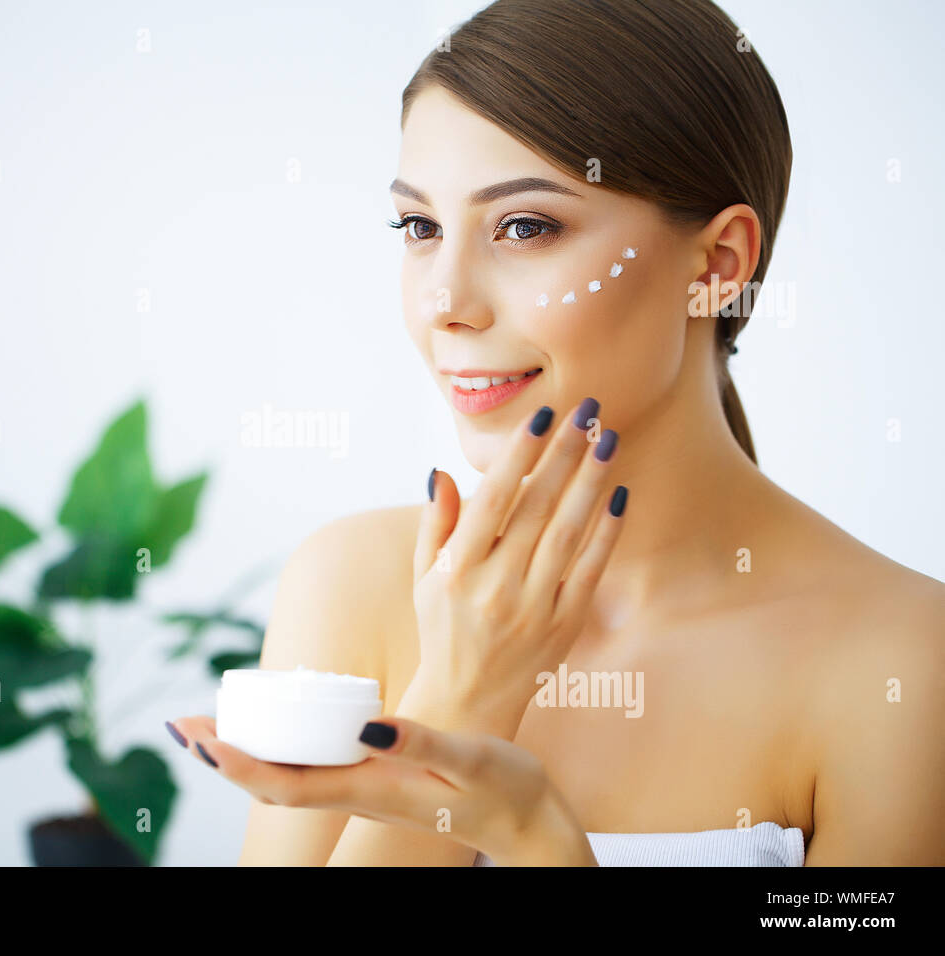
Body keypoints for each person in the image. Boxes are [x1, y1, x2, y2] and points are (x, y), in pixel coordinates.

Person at [168, 0, 945, 866]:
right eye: (420, 228)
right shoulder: (351, 585)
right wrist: (461, 691)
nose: (444, 304)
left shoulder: (905, 662)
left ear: (718, 265)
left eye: (526, 227)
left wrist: (537, 839)